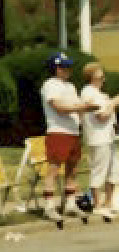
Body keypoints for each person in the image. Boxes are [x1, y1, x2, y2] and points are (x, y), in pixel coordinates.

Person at [39, 52, 100, 224]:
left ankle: (71, 203)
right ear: (57, 69)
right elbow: (58, 107)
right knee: (53, 169)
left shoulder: (71, 86)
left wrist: (84, 113)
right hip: (58, 131)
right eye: (64, 67)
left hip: (73, 132)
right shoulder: (49, 85)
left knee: (72, 170)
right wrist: (83, 107)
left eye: (68, 66)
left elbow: (77, 106)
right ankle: (49, 206)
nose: (68, 69)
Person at [80, 62, 119, 222]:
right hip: (98, 137)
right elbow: (101, 116)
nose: (103, 80)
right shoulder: (88, 92)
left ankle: (108, 203)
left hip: (108, 137)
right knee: (99, 171)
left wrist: (111, 102)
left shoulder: (99, 93)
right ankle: (97, 204)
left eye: (103, 77)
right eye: (100, 77)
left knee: (115, 169)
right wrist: (114, 102)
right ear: (91, 78)